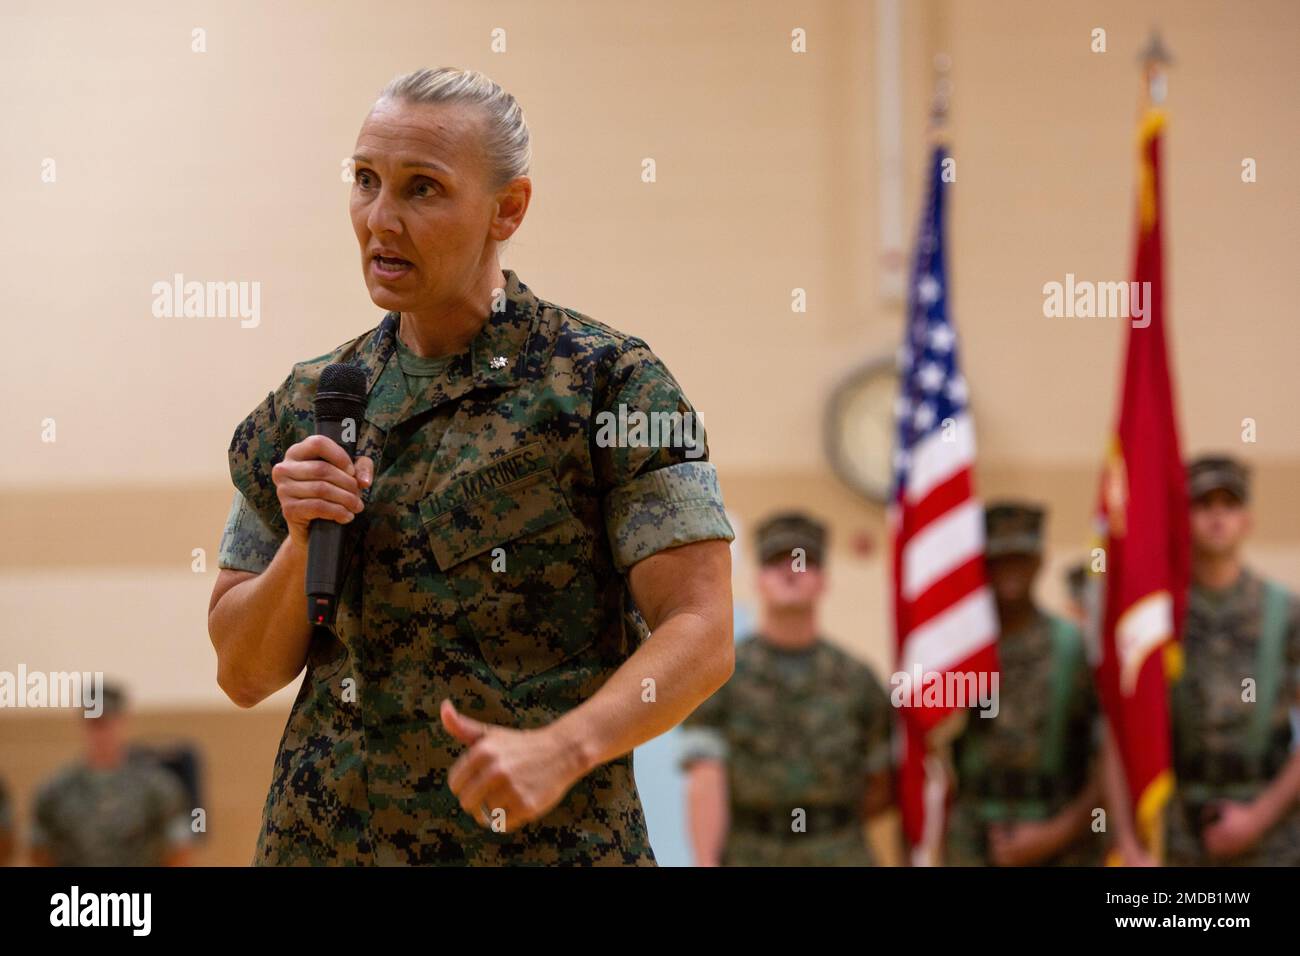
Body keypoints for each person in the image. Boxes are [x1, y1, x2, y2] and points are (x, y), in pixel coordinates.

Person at [207, 67, 735, 866]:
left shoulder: (607, 383)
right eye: (365, 181)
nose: (381, 219)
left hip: (543, 845)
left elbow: (702, 631)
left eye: (423, 189)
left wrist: (563, 748)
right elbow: (243, 675)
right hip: (325, 844)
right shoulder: (311, 404)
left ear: (508, 208)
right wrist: (301, 539)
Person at [679, 512, 894, 866]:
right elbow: (705, 780)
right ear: (758, 580)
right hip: (752, 853)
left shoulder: (857, 678)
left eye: (804, 560)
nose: (790, 570)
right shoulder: (722, 675)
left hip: (840, 852)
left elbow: (883, 780)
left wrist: (827, 825)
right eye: (774, 561)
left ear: (824, 580)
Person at [1157, 455, 1300, 865]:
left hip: (1272, 833)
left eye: (1229, 505)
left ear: (1247, 520)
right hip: (1180, 832)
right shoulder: (1162, 616)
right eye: (1203, 505)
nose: (1217, 517)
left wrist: (1258, 818)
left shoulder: (1285, 613)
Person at [944, 502, 1102, 866]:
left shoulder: (1072, 649)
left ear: (1038, 561)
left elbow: (1109, 759)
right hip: (971, 841)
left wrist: (1059, 832)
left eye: (1019, 558)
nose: (1009, 572)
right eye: (997, 560)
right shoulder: (955, 651)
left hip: (1058, 837)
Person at [30, 685, 193, 867]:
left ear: (122, 721)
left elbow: (179, 848)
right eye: (93, 724)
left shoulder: (158, 787)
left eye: (106, 723)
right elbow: (39, 849)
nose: (100, 733)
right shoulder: (56, 790)